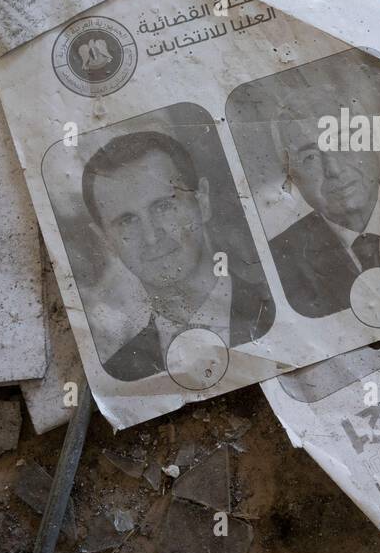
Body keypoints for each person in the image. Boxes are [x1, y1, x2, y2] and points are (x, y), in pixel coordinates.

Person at [81, 130, 273, 380]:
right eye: (127, 221)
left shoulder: (275, 309)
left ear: (202, 201)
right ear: (106, 241)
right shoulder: (121, 374)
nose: (151, 237)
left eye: (164, 206)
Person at [268, 101, 380, 318]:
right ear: (291, 176)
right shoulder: (277, 263)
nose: (333, 169)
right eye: (310, 158)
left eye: (344, 141)